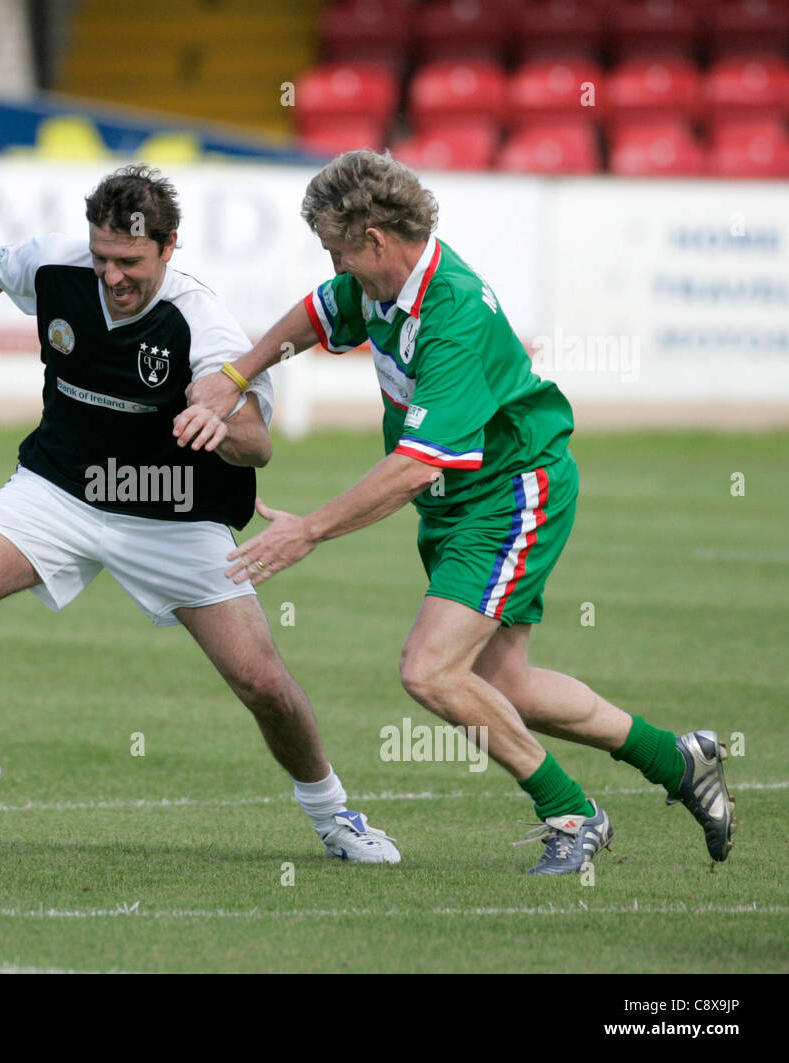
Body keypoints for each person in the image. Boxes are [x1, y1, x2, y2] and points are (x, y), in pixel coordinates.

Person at [187, 149, 735, 874]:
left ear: (376, 240)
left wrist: (309, 531)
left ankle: (571, 811)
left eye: (338, 250)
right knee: (506, 686)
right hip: (463, 502)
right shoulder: (380, 285)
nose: (335, 266)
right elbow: (317, 314)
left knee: (430, 669)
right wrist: (235, 376)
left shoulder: (452, 313)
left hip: (510, 495)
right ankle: (679, 759)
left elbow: (414, 467)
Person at [0, 164, 399, 863]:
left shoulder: (202, 322)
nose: (112, 276)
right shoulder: (57, 263)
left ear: (170, 247)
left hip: (174, 515)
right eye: (103, 257)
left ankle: (334, 815)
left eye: (131, 262)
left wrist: (218, 424)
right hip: (60, 489)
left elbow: (257, 444)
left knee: (263, 682)